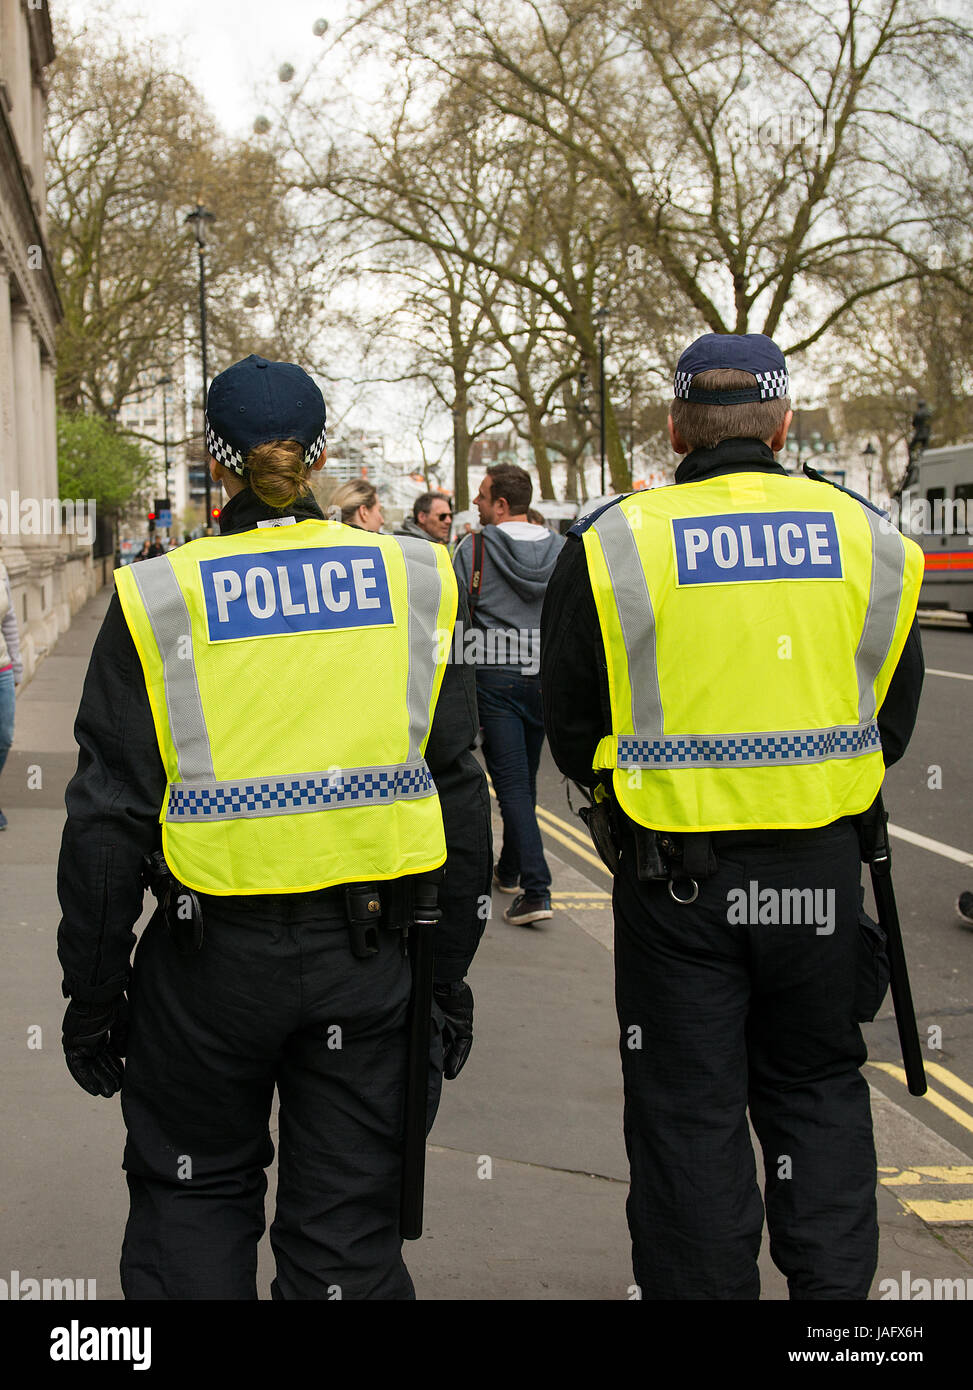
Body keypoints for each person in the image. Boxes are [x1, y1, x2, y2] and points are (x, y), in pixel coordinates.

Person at [56, 353, 491, 1300]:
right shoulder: (416, 579)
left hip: (207, 964)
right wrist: (446, 978)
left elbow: (105, 826)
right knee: (347, 1231)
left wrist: (92, 995)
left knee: (192, 1200)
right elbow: (458, 791)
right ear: (320, 455)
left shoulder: (159, 596)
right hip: (372, 959)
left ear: (217, 465)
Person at [541, 332, 925, 1300]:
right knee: (818, 1087)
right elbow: (890, 717)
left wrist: (625, 799)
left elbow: (572, 718)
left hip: (676, 882)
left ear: (676, 429)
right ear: (783, 426)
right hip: (819, 874)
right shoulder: (868, 537)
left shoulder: (616, 541)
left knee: (687, 1110)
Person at [453, 463, 564, 926]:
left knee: (513, 786)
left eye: (482, 496)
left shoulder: (474, 548)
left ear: (501, 504)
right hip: (546, 678)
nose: (476, 504)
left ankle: (537, 890)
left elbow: (456, 614)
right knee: (525, 781)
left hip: (494, 678)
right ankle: (512, 870)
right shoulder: (563, 548)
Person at [0, 550, 23, 830]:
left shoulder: (1, 568)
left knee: (4, 738)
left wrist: (16, 665)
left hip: (2, 667)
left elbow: (9, 620)